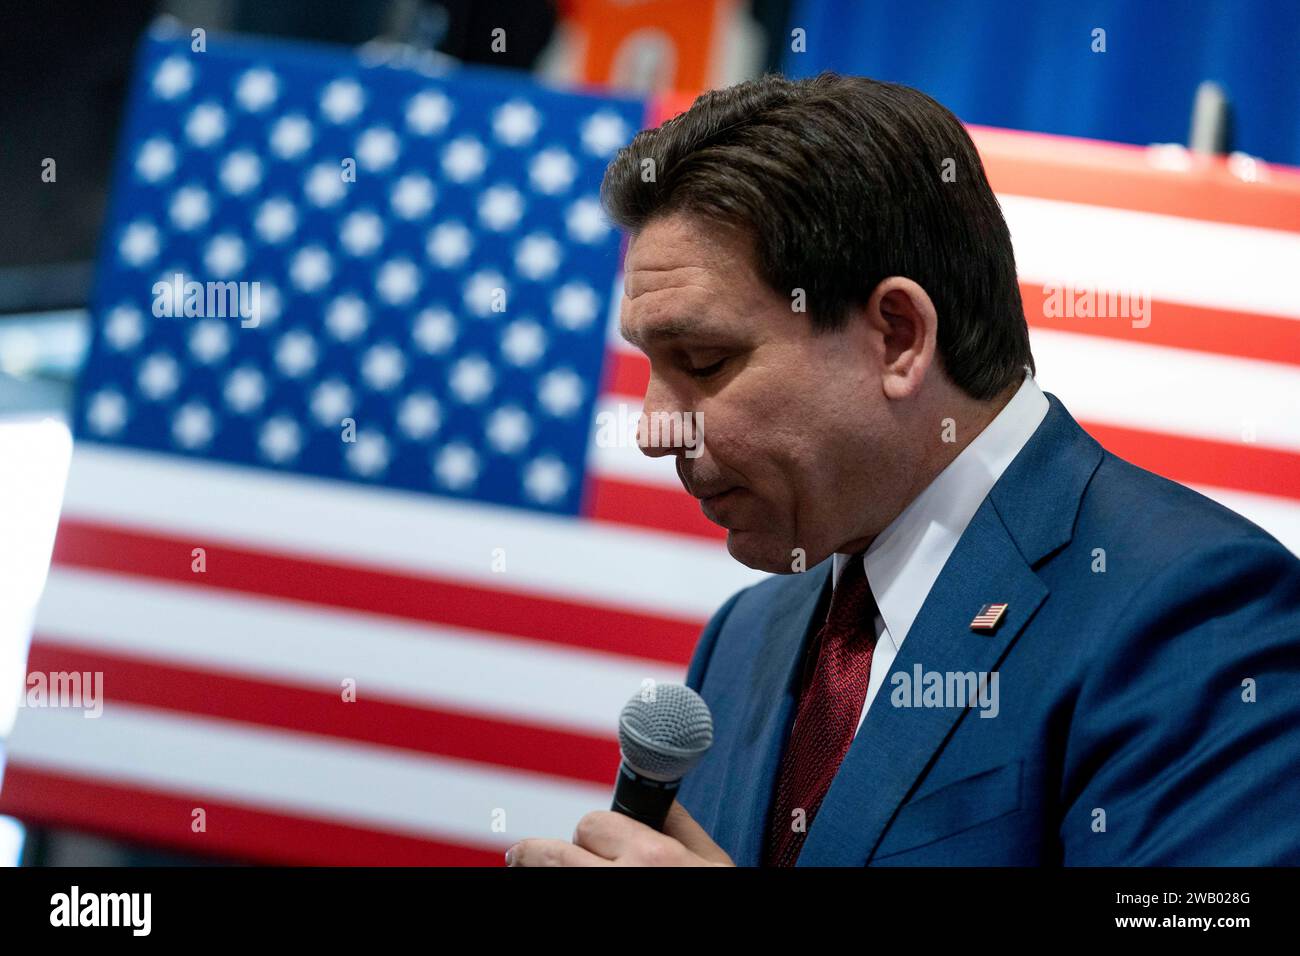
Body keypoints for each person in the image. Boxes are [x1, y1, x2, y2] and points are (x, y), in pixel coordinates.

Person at [505, 72, 1300, 867]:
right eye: (650, 365)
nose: (652, 429)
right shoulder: (745, 635)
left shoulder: (1196, 610)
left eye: (705, 361)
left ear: (897, 336)